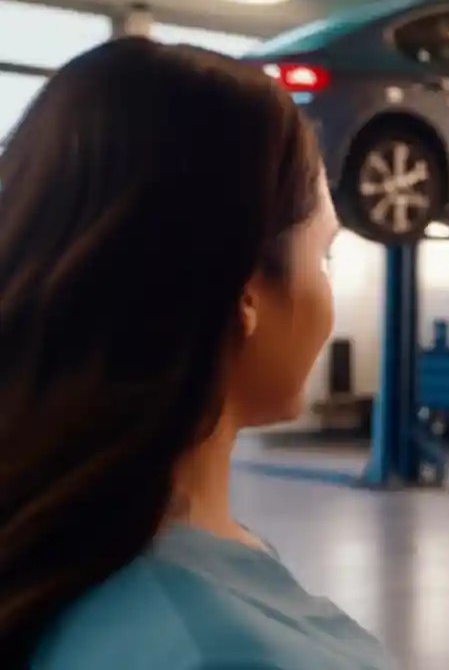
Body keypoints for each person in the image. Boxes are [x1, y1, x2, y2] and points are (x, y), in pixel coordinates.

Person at [0, 37, 395, 670]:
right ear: (245, 295)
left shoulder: (64, 549)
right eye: (323, 253)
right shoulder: (219, 647)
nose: (326, 290)